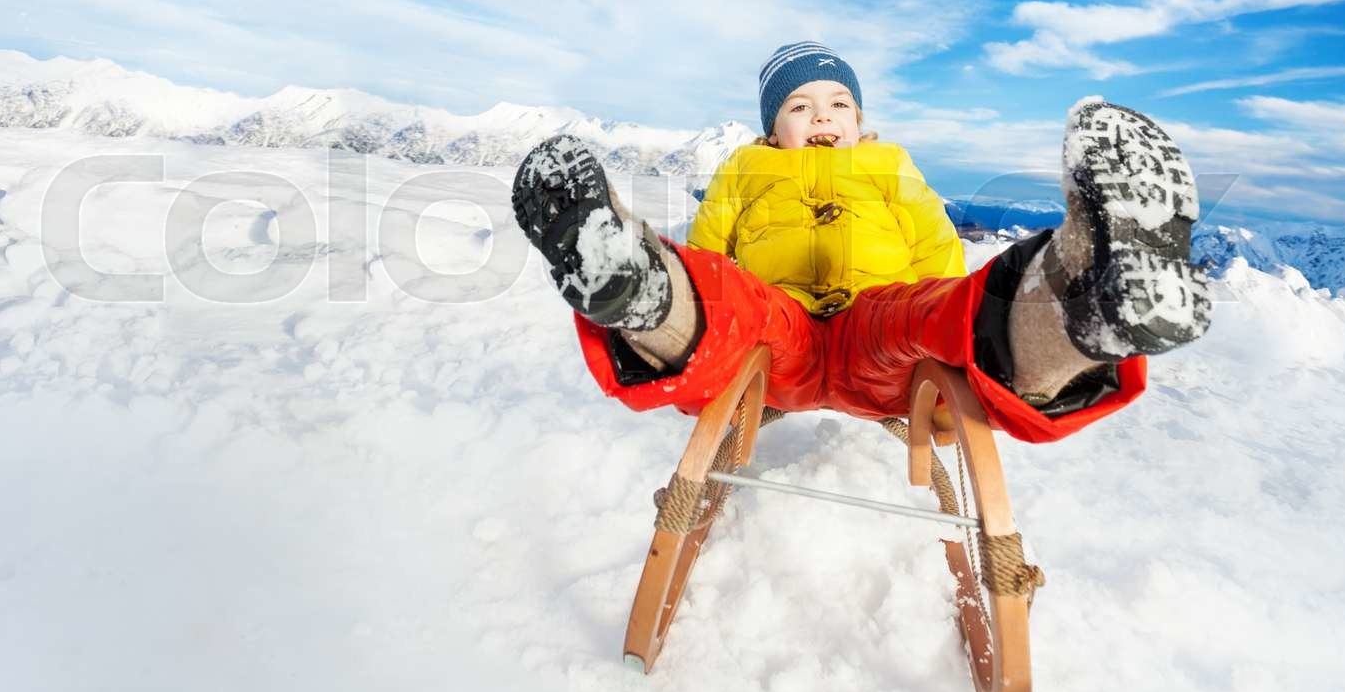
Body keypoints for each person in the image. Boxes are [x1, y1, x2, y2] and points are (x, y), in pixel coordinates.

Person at [510, 41, 1211, 443]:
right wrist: (697, 280)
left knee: (951, 310)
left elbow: (939, 266)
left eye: (838, 105)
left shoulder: (892, 169)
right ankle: (633, 282)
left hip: (881, 340)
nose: (823, 117)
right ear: (770, 127)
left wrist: (943, 309)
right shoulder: (745, 171)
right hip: (773, 342)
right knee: (721, 297)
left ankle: (1088, 296)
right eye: (800, 106)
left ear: (860, 119)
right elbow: (714, 257)